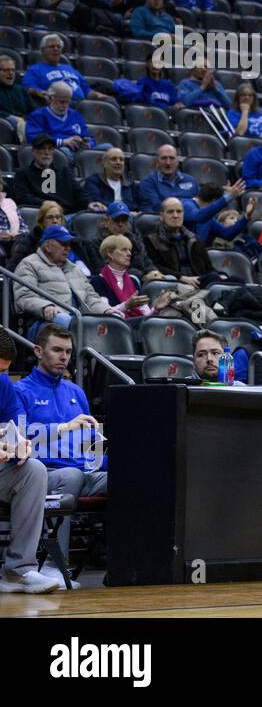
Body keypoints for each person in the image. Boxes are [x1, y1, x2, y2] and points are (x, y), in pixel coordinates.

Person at [15, 324, 107, 569]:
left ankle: (127, 565)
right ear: (38, 351)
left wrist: (114, 460)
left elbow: (92, 442)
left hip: (85, 473)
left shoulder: (76, 391)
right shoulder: (20, 391)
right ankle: (55, 565)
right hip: (46, 474)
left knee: (132, 475)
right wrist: (64, 428)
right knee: (72, 475)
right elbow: (20, 440)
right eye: (56, 350)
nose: (64, 357)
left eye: (68, 351)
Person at [0, 330, 60, 594]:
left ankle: (18, 570)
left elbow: (16, 425)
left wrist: (20, 444)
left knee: (33, 469)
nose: (0, 376)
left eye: (3, 371)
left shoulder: (3, 384)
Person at [15, 227, 120, 340]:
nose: (68, 248)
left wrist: (107, 311)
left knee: (116, 327)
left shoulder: (74, 268)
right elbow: (24, 297)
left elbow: (90, 298)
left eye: (69, 244)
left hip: (78, 321)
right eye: (63, 244)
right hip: (45, 322)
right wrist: (46, 307)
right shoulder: (28, 264)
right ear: (47, 246)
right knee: (75, 329)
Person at [92, 233, 174, 320]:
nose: (129, 254)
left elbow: (146, 316)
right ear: (110, 254)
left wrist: (156, 308)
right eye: (124, 250)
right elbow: (103, 314)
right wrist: (126, 306)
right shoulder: (98, 281)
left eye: (129, 250)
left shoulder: (133, 280)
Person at [26, 82, 93, 160]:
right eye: (61, 102)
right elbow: (34, 138)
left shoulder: (76, 115)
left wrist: (87, 144)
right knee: (65, 151)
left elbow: (88, 137)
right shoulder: (38, 116)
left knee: (106, 147)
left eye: (67, 102)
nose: (65, 105)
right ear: (51, 98)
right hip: (56, 151)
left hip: (78, 150)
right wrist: (62, 142)